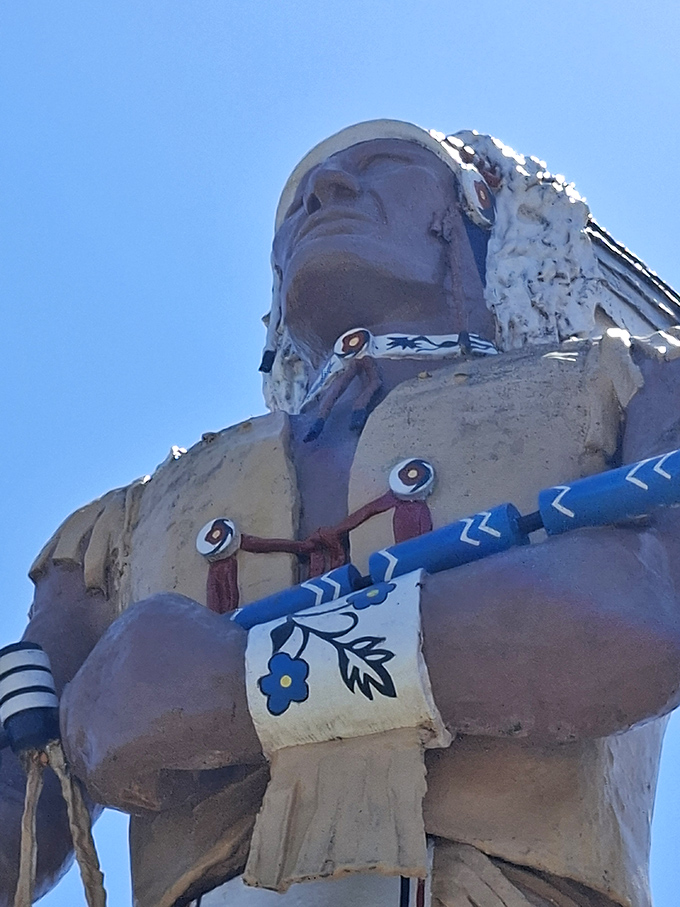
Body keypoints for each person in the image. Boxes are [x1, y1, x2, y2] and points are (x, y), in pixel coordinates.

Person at [3, 120, 680, 907]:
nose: (324, 190)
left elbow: (647, 614)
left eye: (383, 164)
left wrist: (242, 683)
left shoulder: (635, 384)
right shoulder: (122, 523)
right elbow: (28, 791)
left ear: (480, 213)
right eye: (293, 207)